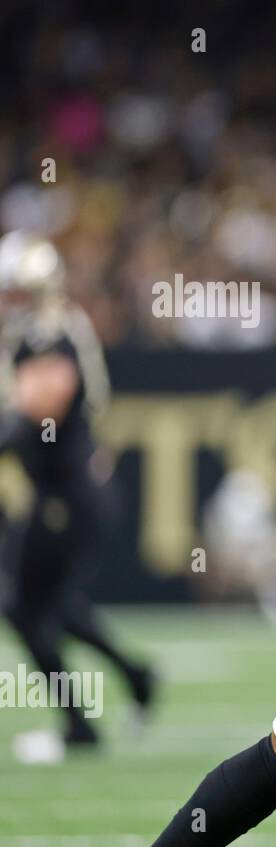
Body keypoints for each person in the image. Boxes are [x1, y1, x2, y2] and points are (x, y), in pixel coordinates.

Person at [0, 231, 156, 764]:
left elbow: (37, 413)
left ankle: (80, 725)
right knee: (51, 608)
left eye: (15, 291)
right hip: (57, 492)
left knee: (24, 608)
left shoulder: (51, 333)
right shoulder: (45, 330)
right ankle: (135, 678)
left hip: (64, 494)